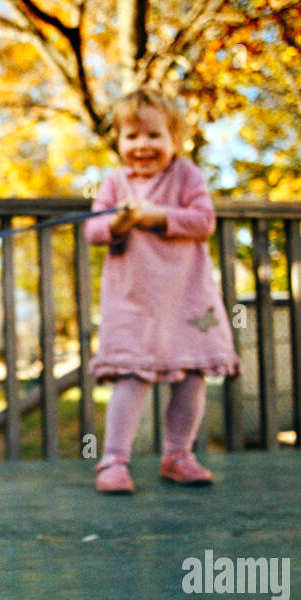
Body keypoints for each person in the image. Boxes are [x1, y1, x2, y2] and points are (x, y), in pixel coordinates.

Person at [83, 88, 240, 493]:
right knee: (131, 375)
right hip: (133, 301)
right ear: (119, 141)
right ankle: (114, 460)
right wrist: (118, 224)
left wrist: (156, 216)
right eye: (132, 136)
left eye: (154, 135)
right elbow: (93, 230)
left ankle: (177, 455)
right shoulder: (115, 183)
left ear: (175, 139)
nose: (143, 145)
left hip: (186, 298)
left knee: (191, 376)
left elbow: (204, 221)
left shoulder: (186, 175)